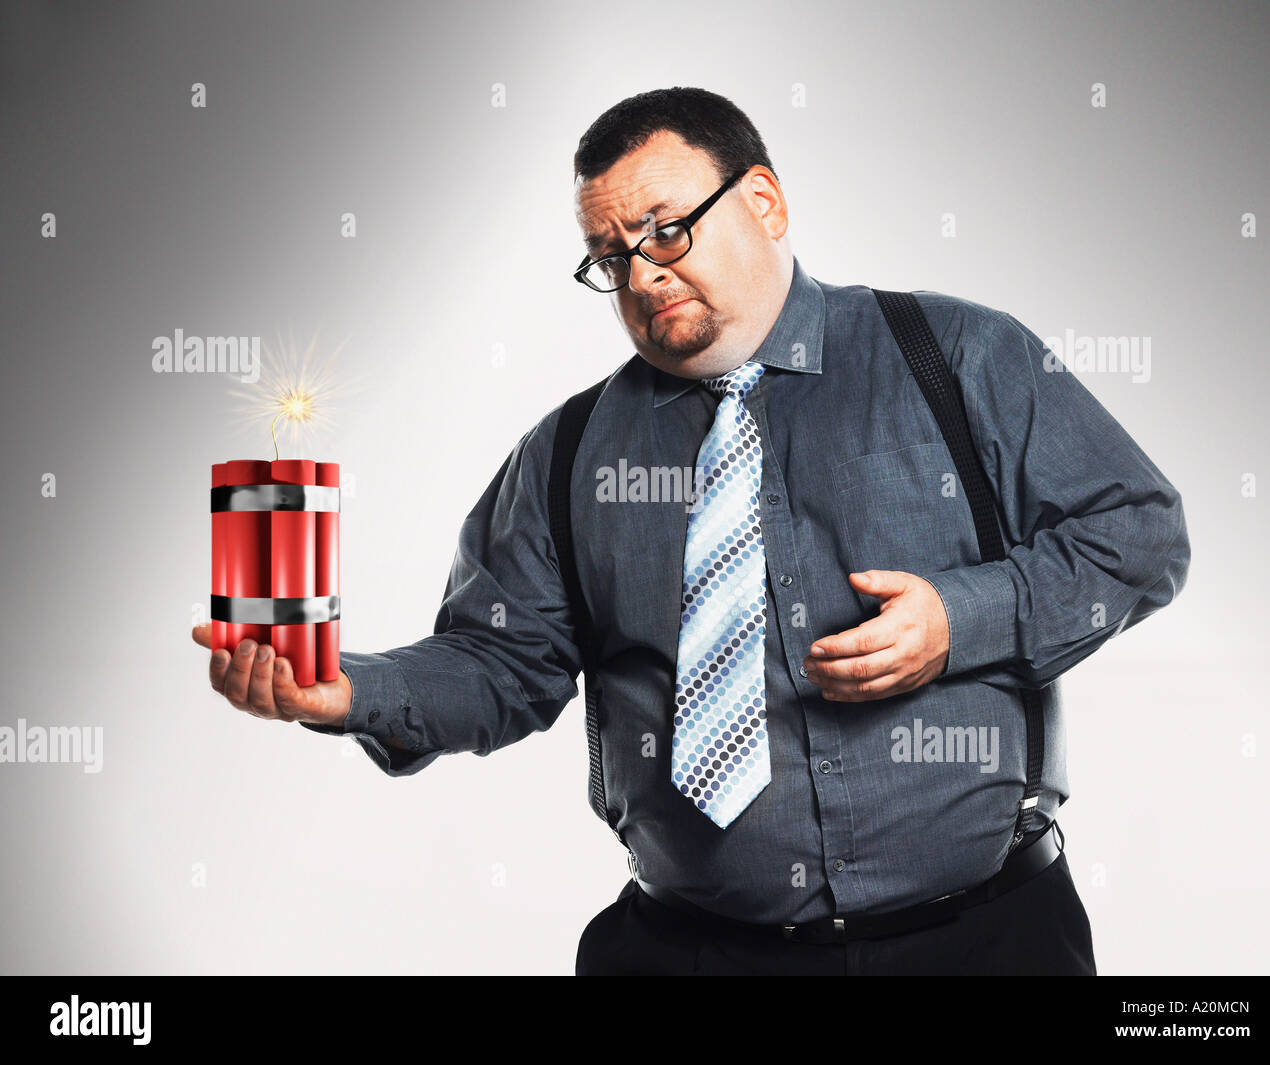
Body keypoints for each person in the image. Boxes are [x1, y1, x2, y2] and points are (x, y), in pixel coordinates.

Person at [192, 87, 1189, 975]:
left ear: (763, 203)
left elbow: (1138, 536)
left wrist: (962, 619)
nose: (640, 274)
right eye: (608, 255)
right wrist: (349, 689)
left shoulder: (955, 354)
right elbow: (501, 662)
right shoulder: (571, 451)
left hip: (986, 945)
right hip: (688, 953)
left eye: (665, 231)